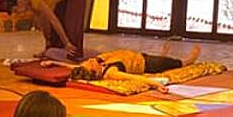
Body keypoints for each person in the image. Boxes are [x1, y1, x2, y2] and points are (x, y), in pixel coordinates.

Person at [7, 0, 89, 60]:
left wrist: (66, 43)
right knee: (57, 26)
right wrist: (48, 44)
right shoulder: (31, 3)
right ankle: (54, 50)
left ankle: (75, 55)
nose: (18, 14)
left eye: (16, 10)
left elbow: (54, 20)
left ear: (20, 2)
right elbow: (43, 24)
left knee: (72, 23)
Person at [61, 43, 202, 92]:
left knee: (162, 59)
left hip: (135, 55)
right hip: (146, 63)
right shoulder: (112, 72)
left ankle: (163, 55)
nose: (91, 60)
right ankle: (188, 60)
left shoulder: (90, 66)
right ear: (94, 72)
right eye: (90, 63)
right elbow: (135, 78)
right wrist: (156, 83)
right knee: (175, 63)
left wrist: (53, 63)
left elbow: (72, 66)